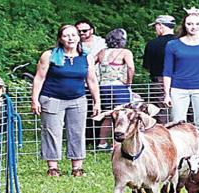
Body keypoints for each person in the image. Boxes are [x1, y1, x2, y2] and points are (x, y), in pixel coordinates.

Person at [31, 24, 100, 177]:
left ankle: (77, 167)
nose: (70, 38)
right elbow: (39, 78)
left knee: (77, 132)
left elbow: (92, 80)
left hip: (78, 99)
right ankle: (53, 167)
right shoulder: (49, 55)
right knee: (52, 132)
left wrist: (97, 102)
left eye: (73, 35)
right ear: (60, 39)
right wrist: (34, 99)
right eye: (66, 35)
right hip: (52, 98)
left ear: (79, 37)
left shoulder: (86, 57)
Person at [162, 9, 199, 148]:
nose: (193, 27)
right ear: (184, 25)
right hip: (178, 88)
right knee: (177, 124)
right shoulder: (172, 45)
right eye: (190, 24)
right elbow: (167, 71)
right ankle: (179, 153)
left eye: (197, 24)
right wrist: (167, 94)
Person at [93, 28, 135, 150]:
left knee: (108, 114)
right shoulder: (125, 52)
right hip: (119, 86)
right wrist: (129, 82)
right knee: (122, 114)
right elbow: (131, 67)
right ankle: (117, 143)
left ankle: (102, 143)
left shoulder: (102, 52)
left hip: (103, 87)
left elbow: (89, 64)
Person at [142, 14, 177, 124]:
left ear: (160, 26)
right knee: (184, 110)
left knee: (161, 111)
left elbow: (147, 66)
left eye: (155, 26)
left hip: (159, 82)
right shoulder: (181, 42)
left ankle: (163, 132)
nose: (155, 29)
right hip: (180, 80)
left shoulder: (152, 44)